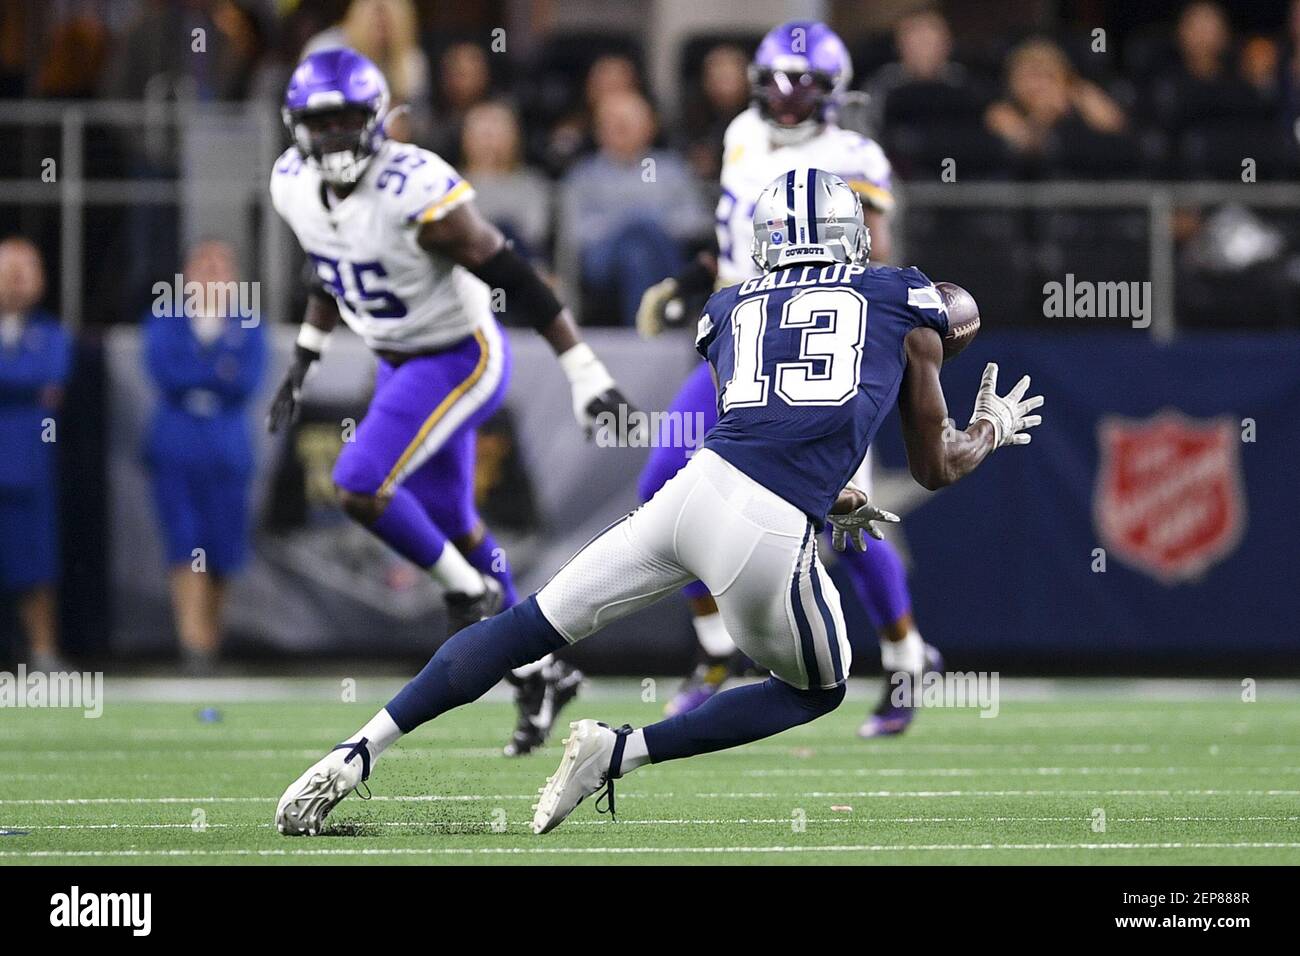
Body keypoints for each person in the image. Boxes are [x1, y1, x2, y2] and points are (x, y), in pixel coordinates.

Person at [273, 168, 1045, 837]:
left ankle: (358, 748)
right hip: (765, 530)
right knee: (821, 687)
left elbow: (769, 416)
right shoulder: (899, 295)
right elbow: (936, 455)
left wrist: (825, 488)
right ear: (854, 238)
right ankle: (621, 752)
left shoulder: (728, 308)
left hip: (693, 496)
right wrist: (989, 427)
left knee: (523, 627)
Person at [267, 48, 635, 756]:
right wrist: (308, 351)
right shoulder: (293, 184)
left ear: (379, 120)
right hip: (396, 356)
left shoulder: (417, 192)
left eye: (351, 120)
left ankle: (470, 596)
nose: (339, 136)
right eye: (324, 122)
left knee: (358, 484)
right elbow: (328, 262)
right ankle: (539, 667)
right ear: (298, 127)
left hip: (458, 354)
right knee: (454, 520)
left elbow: (517, 277)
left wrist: (583, 368)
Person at [635, 19, 935, 737]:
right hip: (741, 339)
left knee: (846, 521)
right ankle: (716, 654)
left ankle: (905, 655)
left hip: (813, 351)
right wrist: (687, 282)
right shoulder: (741, 132)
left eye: (802, 82)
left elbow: (876, 261)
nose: (786, 95)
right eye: (773, 80)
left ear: (832, 90)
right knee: (658, 487)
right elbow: (741, 243)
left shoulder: (852, 153)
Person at [143, 240, 266, 674]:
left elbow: (247, 381)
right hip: (177, 444)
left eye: (221, 266)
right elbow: (165, 372)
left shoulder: (248, 323)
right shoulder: (166, 318)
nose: (212, 274)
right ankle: (193, 641)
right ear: (187, 272)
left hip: (227, 447)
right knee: (185, 541)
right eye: (204, 265)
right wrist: (217, 372)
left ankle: (211, 637)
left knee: (223, 547)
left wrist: (205, 375)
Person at [560, 90, 710, 325]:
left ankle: (643, 330)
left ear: (650, 126)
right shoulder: (584, 175)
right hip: (604, 261)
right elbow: (576, 231)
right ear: (599, 129)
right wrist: (630, 226)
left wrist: (649, 226)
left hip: (663, 252)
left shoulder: (671, 169)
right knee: (637, 236)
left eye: (629, 122)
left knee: (638, 252)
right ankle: (665, 314)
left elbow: (696, 222)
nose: (621, 128)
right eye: (613, 122)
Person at [0, 238, 71, 673]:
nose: (15, 279)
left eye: (25, 270)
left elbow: (49, 376)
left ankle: (43, 653)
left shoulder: (51, 334)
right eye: (8, 269)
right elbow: (32, 384)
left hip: (28, 467)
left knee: (36, 564)